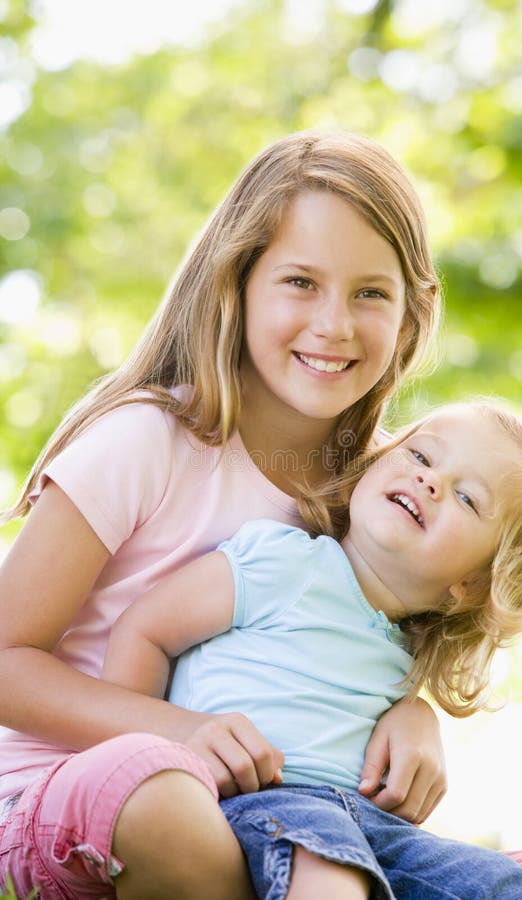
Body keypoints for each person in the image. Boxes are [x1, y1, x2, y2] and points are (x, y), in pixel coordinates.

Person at [0, 130, 445, 900]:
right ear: (234, 285)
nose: (335, 325)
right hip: (74, 792)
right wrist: (179, 736)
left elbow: (360, 649)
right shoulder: (147, 441)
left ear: (411, 316)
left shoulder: (385, 490)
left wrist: (414, 712)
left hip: (286, 815)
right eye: (300, 282)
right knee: (168, 801)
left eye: (371, 293)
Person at [101, 399, 522, 899]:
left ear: (472, 585)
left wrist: (417, 710)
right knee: (334, 877)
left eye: (466, 498)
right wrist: (134, 763)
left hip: (372, 830)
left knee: (520, 889)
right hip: (266, 800)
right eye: (421, 456)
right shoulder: (285, 562)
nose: (429, 481)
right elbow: (145, 630)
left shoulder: (409, 653)